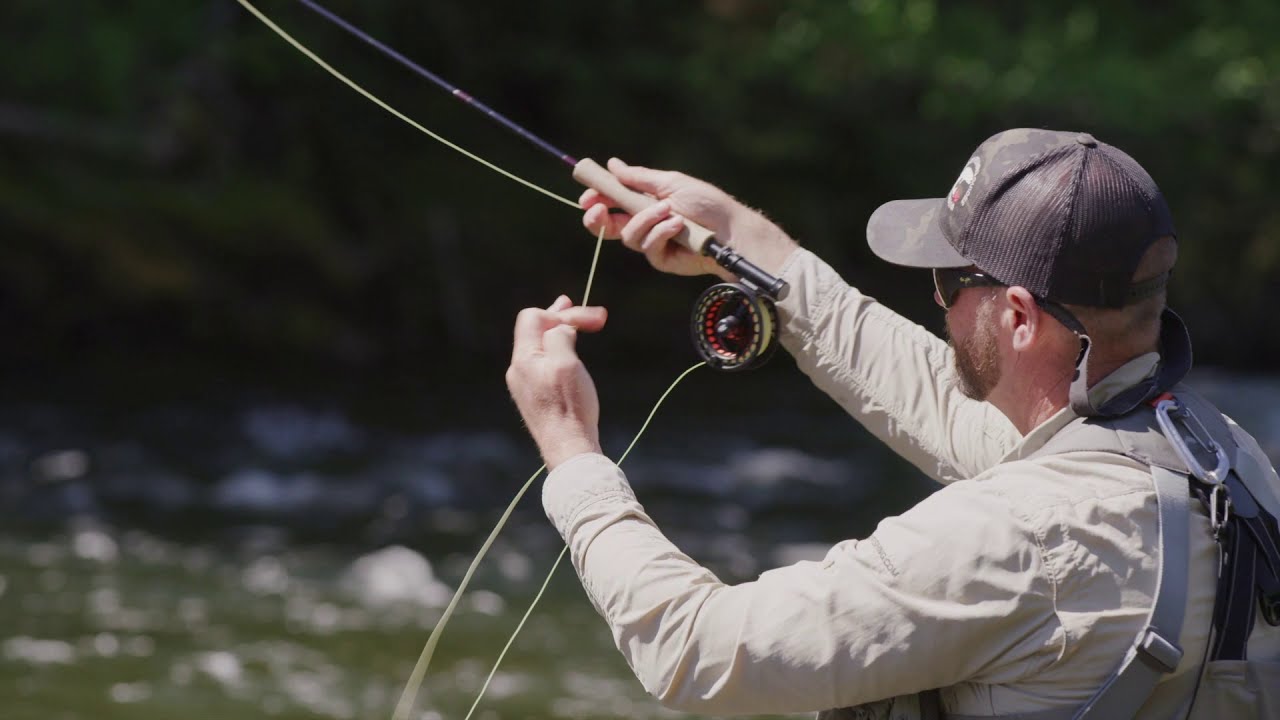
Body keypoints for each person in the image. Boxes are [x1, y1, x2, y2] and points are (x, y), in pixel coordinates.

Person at [504, 129, 1280, 718]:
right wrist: (741, 241)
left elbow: (699, 650)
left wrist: (570, 450)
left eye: (949, 280)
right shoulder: (1226, 461)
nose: (937, 302)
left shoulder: (1021, 542)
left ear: (1016, 316)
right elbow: (937, 402)